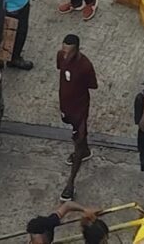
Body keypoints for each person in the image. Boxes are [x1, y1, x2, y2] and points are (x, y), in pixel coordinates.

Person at [54, 30, 99, 197]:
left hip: (79, 109)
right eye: (63, 50)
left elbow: (93, 85)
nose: (65, 54)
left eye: (69, 51)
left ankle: (70, 184)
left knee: (78, 140)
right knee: (76, 135)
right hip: (65, 106)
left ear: (77, 50)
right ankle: (85, 151)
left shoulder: (85, 66)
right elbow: (61, 69)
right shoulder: (60, 56)